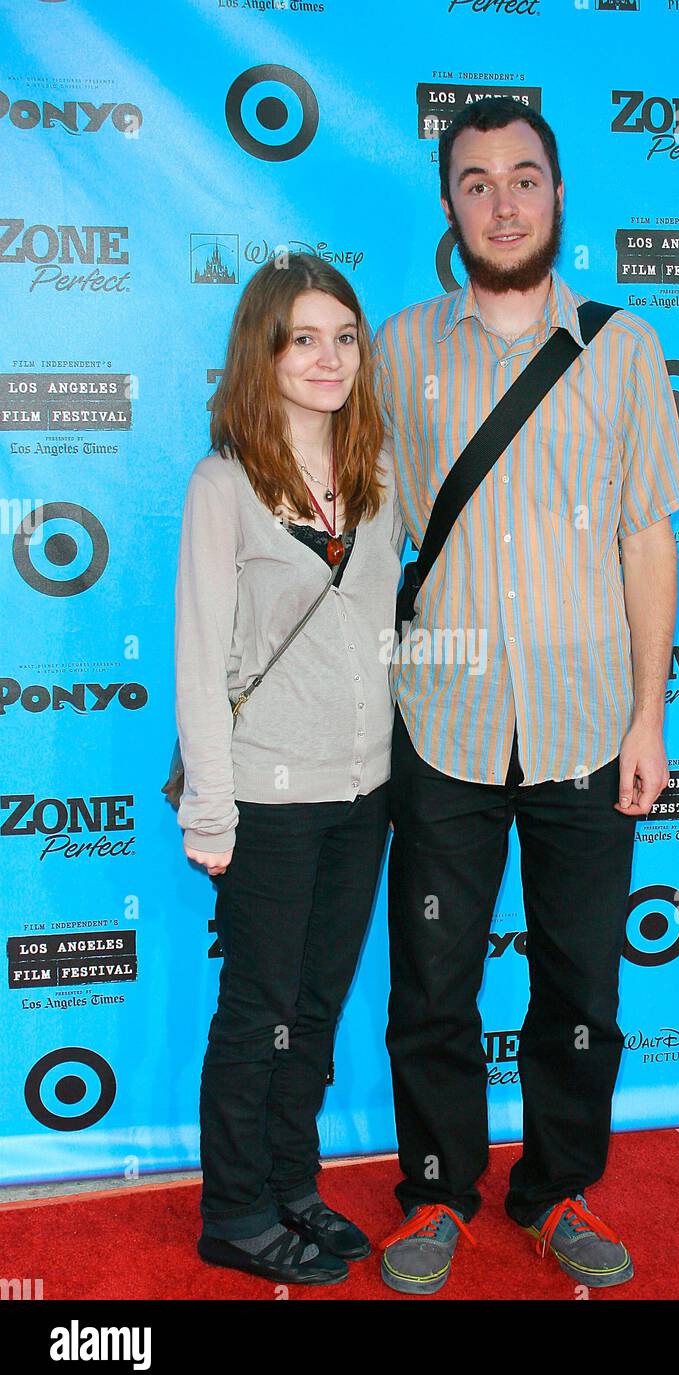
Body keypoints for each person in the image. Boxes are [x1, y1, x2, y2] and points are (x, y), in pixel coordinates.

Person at [372, 96, 679, 1294]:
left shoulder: (623, 347)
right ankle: (434, 1189)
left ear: (557, 195)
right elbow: (371, 533)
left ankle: (554, 1185)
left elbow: (645, 546)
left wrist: (650, 715)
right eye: (474, 181)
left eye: (522, 177)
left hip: (584, 729)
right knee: (432, 982)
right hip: (440, 726)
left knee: (580, 987)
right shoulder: (399, 348)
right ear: (446, 206)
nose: (501, 201)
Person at [172, 252, 404, 1286]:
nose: (328, 358)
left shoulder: (379, 474)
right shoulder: (222, 486)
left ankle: (292, 1182)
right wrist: (209, 811)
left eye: (344, 337)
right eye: (303, 338)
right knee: (257, 1009)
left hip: (364, 790)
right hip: (264, 797)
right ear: (261, 353)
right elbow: (197, 655)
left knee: (313, 1006)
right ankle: (235, 1210)